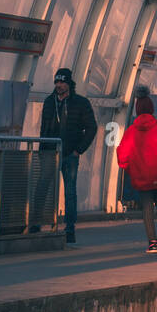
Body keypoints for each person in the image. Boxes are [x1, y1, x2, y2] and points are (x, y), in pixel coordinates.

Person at [30, 67, 97, 244]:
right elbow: (44, 127)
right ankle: (35, 223)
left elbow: (91, 128)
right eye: (56, 82)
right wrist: (42, 149)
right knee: (42, 187)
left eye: (62, 82)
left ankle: (69, 229)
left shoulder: (81, 103)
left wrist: (78, 150)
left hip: (69, 154)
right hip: (49, 152)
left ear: (69, 83)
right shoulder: (49, 102)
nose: (58, 85)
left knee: (69, 191)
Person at [117, 90, 157, 253]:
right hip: (156, 172)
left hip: (141, 174)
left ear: (136, 109)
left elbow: (123, 154)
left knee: (147, 206)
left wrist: (126, 165)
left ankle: (152, 242)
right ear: (151, 108)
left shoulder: (131, 132)